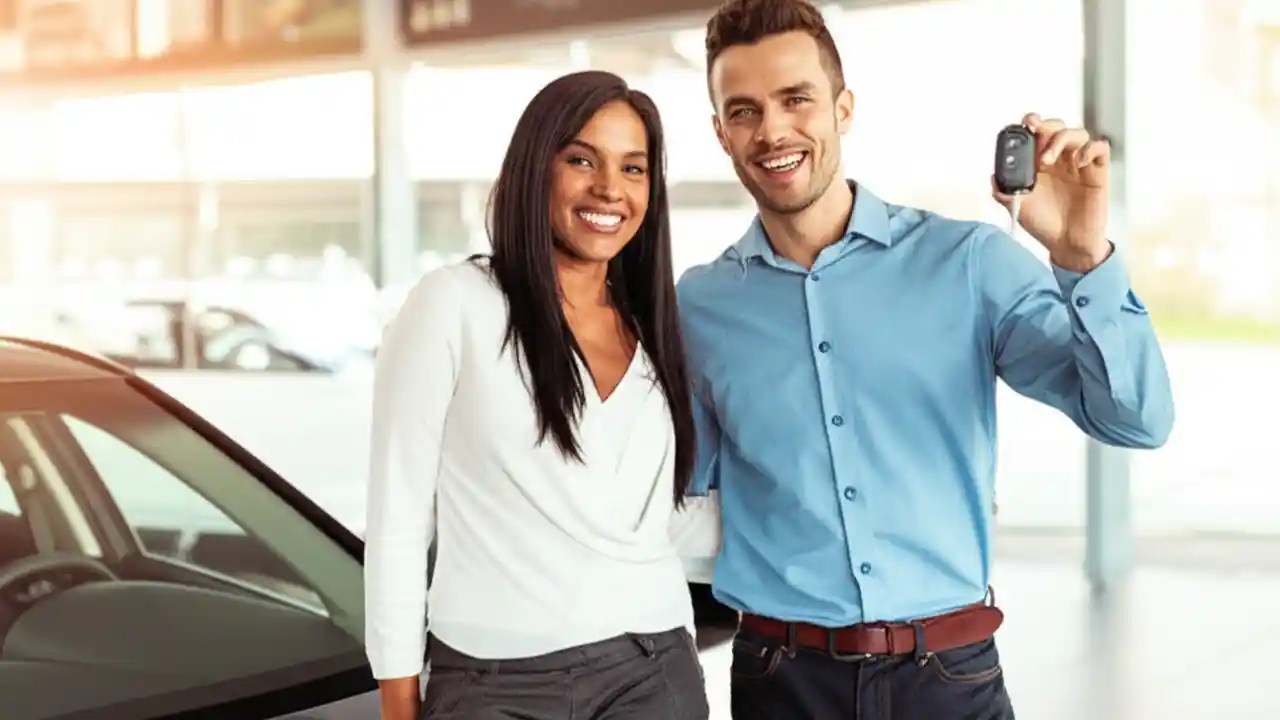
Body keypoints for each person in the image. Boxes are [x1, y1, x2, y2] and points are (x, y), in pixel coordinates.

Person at [675, 1, 1176, 718]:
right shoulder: (699, 306)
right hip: (780, 684)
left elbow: (1137, 420)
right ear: (721, 133)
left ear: (843, 108)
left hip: (949, 680)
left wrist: (1081, 260)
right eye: (744, 111)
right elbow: (671, 491)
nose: (773, 130)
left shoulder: (965, 263)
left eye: (796, 99)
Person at [363, 70, 715, 720]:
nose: (609, 188)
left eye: (633, 168)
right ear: (536, 167)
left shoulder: (650, 327)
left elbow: (644, 519)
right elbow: (398, 518)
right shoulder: (456, 304)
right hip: (496, 684)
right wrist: (398, 694)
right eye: (582, 159)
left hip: (653, 668)